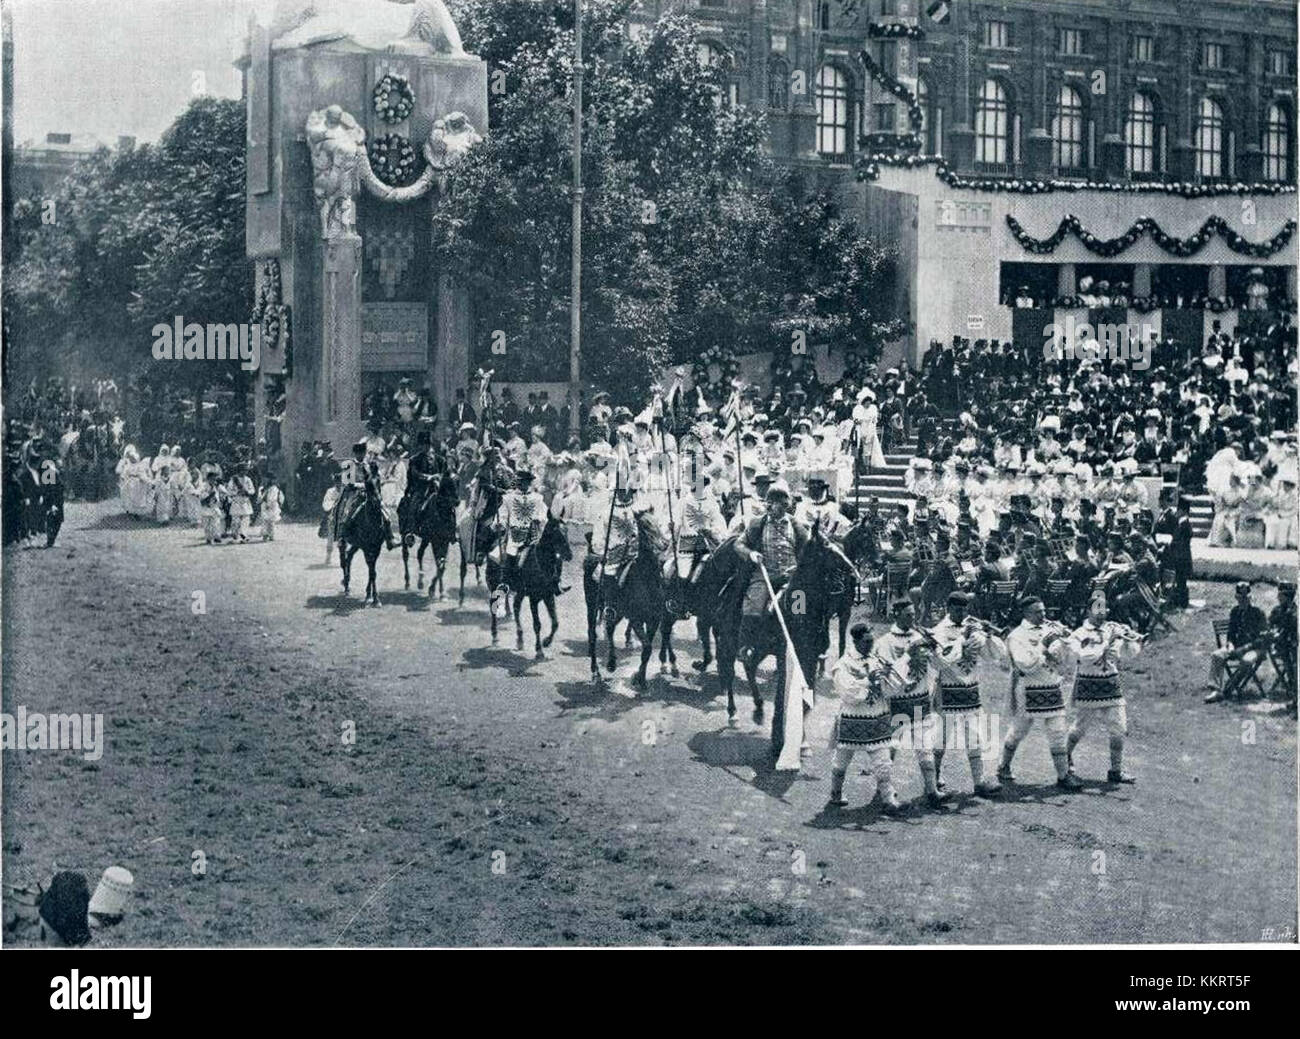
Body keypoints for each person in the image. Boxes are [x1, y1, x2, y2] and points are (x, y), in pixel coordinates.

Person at [998, 597, 1082, 789]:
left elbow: (1064, 660)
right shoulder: (1016, 636)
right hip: (1028, 690)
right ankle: (1003, 766)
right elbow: (1025, 665)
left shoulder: (1049, 630)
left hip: (1052, 687)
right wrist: (1044, 645)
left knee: (1058, 732)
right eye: (1038, 612)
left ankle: (1063, 776)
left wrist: (1066, 642)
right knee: (1018, 731)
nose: (1043, 615)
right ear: (1026, 614)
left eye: (1043, 611)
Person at [874, 599, 948, 808]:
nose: (912, 619)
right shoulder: (885, 642)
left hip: (920, 700)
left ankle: (932, 790)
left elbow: (941, 666)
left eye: (914, 614)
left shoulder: (920, 637)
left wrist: (934, 650)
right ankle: (883, 791)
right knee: (890, 748)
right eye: (907, 615)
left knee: (924, 747)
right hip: (897, 703)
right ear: (895, 614)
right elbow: (889, 675)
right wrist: (909, 653)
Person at [929, 592, 1004, 797]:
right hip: (949, 691)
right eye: (957, 610)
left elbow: (995, 656)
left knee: (975, 737)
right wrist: (962, 638)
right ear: (948, 609)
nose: (962, 614)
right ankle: (934, 779)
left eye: (964, 610)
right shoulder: (938, 632)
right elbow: (942, 661)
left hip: (971, 691)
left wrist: (989, 635)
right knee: (942, 738)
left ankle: (979, 782)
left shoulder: (974, 629)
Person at [1065, 593, 1142, 785]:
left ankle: (1115, 770)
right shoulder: (1078, 635)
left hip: (1110, 683)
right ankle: (1064, 758)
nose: (1102, 613)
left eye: (1105, 608)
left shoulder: (1112, 628)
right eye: (1097, 609)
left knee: (1119, 729)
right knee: (1079, 728)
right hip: (1089, 683)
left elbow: (1129, 655)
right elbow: (1085, 657)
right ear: (1088, 611)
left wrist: (1127, 640)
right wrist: (1108, 642)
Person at [827, 623, 902, 814]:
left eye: (872, 641)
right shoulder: (844, 664)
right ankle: (836, 793)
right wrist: (869, 680)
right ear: (856, 641)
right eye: (867, 642)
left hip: (877, 718)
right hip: (854, 719)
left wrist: (888, 678)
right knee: (841, 761)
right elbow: (848, 694)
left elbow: (892, 689)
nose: (870, 645)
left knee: (883, 761)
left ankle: (888, 799)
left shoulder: (877, 660)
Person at [734, 479, 808, 665]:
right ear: (769, 504)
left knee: (800, 609)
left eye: (784, 504)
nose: (780, 508)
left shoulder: (796, 525)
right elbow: (738, 544)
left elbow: (807, 550)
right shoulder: (757, 524)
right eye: (776, 503)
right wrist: (751, 554)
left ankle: (802, 647)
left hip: (791, 578)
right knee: (753, 606)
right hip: (764, 576)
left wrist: (799, 567)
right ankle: (747, 647)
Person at [1206, 581, 1268, 702]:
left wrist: (1245, 648)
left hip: (1255, 649)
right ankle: (1215, 690)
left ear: (1250, 597)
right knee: (1217, 655)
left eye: (1245, 598)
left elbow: (1262, 639)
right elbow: (1231, 633)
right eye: (1240, 598)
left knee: (1246, 660)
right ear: (1236, 597)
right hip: (1237, 647)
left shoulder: (1258, 613)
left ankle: (1227, 690)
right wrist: (1230, 644)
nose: (1243, 600)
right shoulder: (1235, 612)